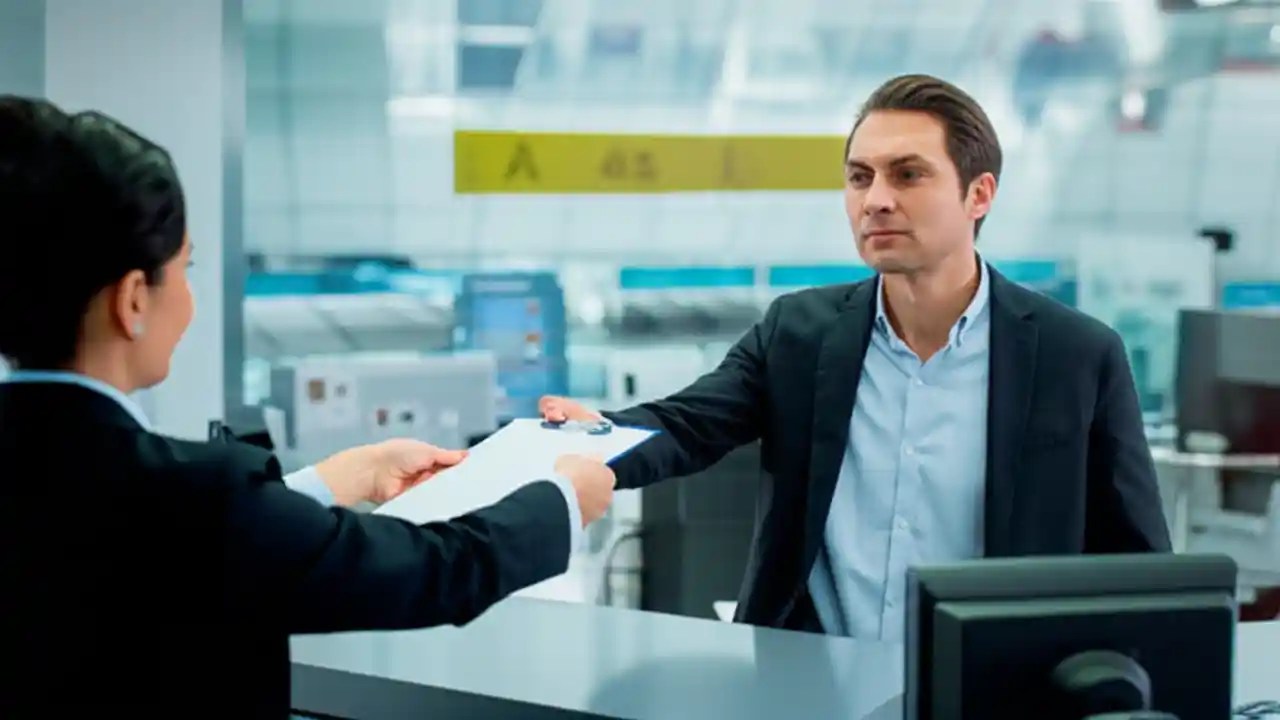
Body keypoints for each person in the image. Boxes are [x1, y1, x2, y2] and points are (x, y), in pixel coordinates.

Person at [0, 95, 616, 715]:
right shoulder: (196, 500)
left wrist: (343, 476)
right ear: (134, 299)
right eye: (185, 269)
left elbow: (187, 541)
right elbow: (435, 570)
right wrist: (561, 502)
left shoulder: (161, 498)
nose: (188, 299)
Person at [540, 74, 1172, 642]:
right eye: (860, 177)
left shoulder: (1076, 356)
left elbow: (1141, 565)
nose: (876, 200)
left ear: (979, 195)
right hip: (813, 684)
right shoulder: (800, 332)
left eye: (908, 174)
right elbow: (688, 425)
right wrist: (597, 440)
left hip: (993, 684)